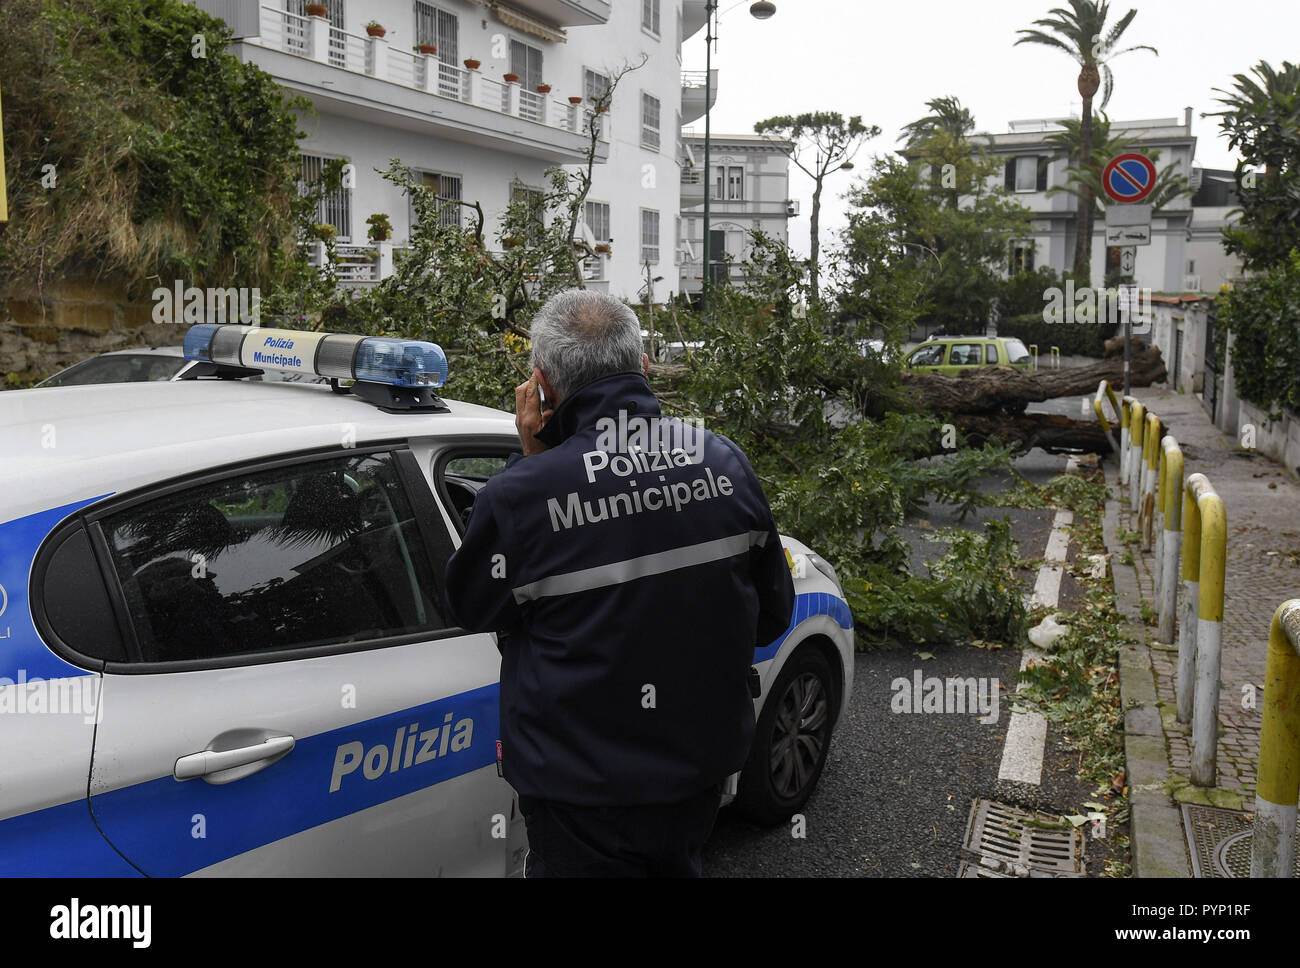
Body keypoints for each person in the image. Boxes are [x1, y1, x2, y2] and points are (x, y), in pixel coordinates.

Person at [443, 289, 795, 877]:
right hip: (697, 772)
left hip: (580, 787)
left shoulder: (522, 496)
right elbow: (772, 616)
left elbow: (472, 606)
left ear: (543, 388)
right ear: (646, 366)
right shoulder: (724, 461)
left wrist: (532, 462)